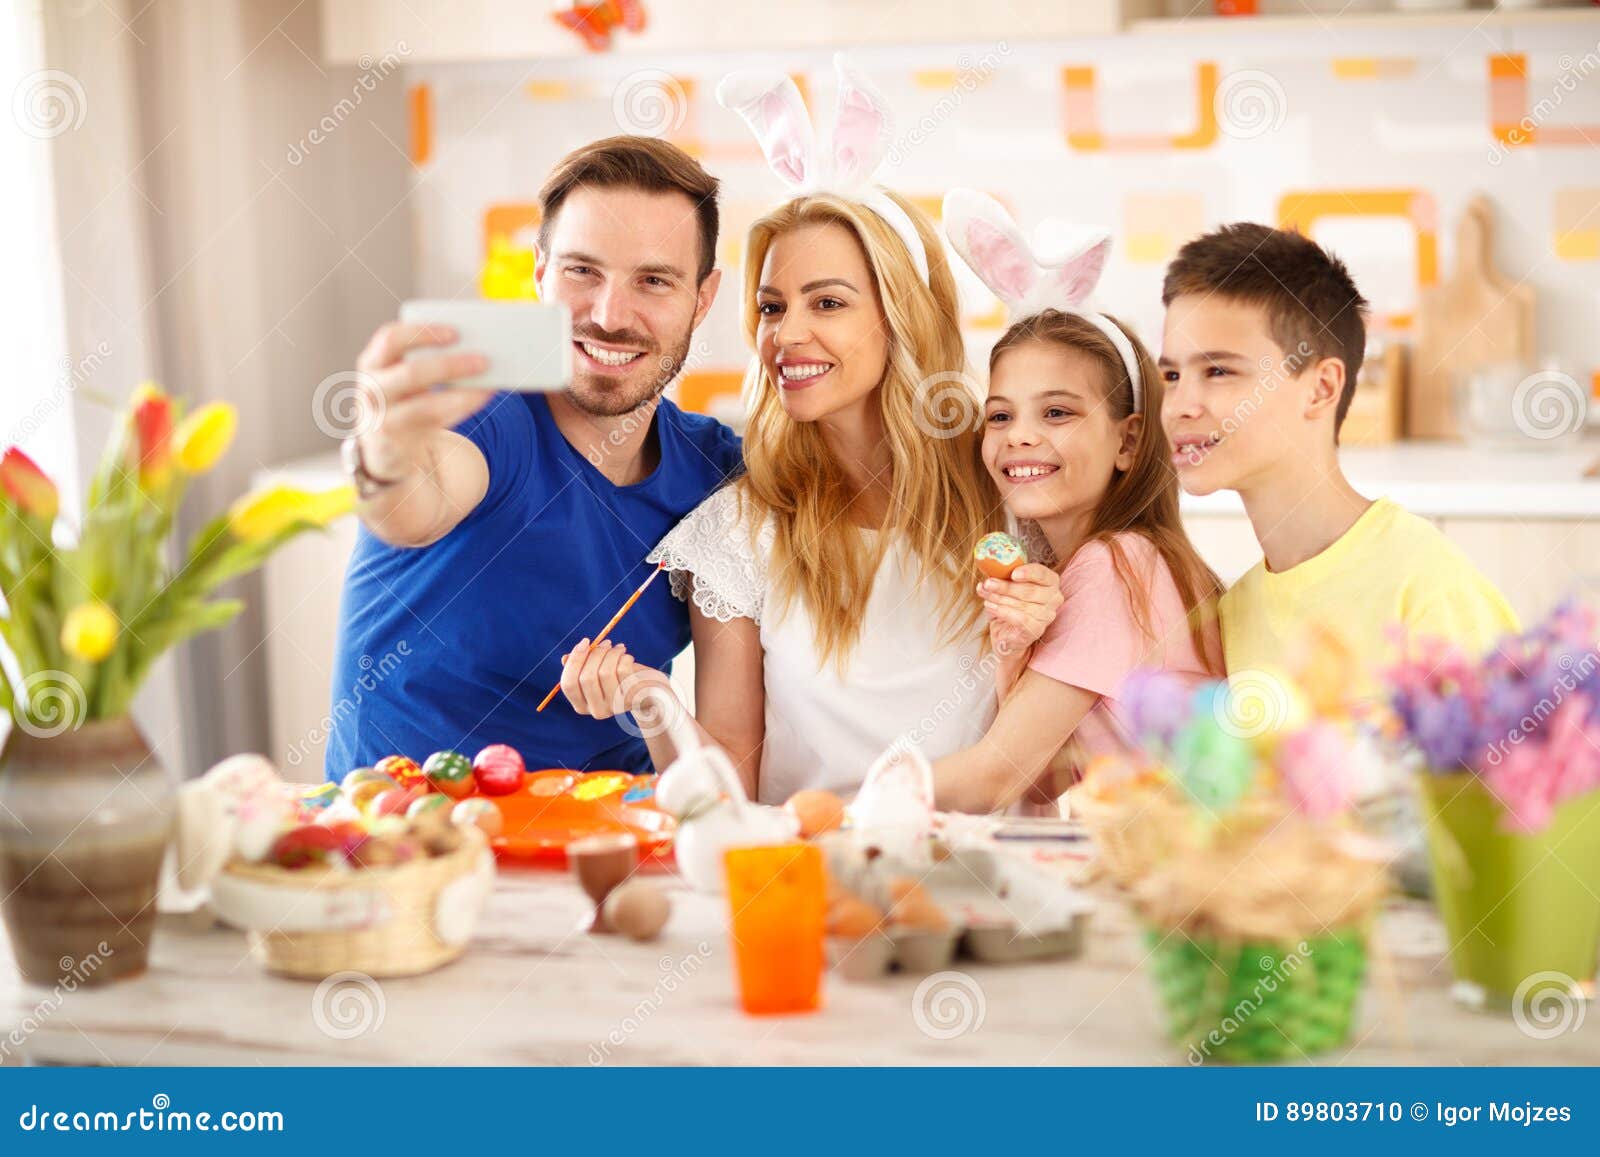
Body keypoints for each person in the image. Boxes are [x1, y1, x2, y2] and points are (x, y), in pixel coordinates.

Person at [556, 62, 1061, 804]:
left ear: (901, 316)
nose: (786, 334)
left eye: (827, 303)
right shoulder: (739, 531)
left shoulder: (1014, 498)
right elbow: (731, 778)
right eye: (770, 306)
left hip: (975, 882)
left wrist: (1040, 630)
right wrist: (651, 700)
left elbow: (1053, 760)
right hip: (807, 877)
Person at [324, 136, 742, 779]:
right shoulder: (483, 416)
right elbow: (413, 500)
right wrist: (381, 462)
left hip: (602, 840)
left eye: (653, 280)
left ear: (703, 299)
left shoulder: (713, 473)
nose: (609, 315)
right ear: (540, 272)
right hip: (419, 846)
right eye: (582, 271)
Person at [929, 192, 1223, 814]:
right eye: (1000, 415)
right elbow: (1043, 783)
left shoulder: (1118, 566)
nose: (1020, 437)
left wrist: (833, 812)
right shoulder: (1082, 567)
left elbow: (995, 780)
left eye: (1057, 412)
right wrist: (1013, 648)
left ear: (1130, 438)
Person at [1157, 223, 1518, 709]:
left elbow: (1508, 779)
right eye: (1172, 375)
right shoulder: (1232, 616)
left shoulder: (1427, 587)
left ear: (1321, 387)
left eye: (1218, 371)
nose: (1180, 404)